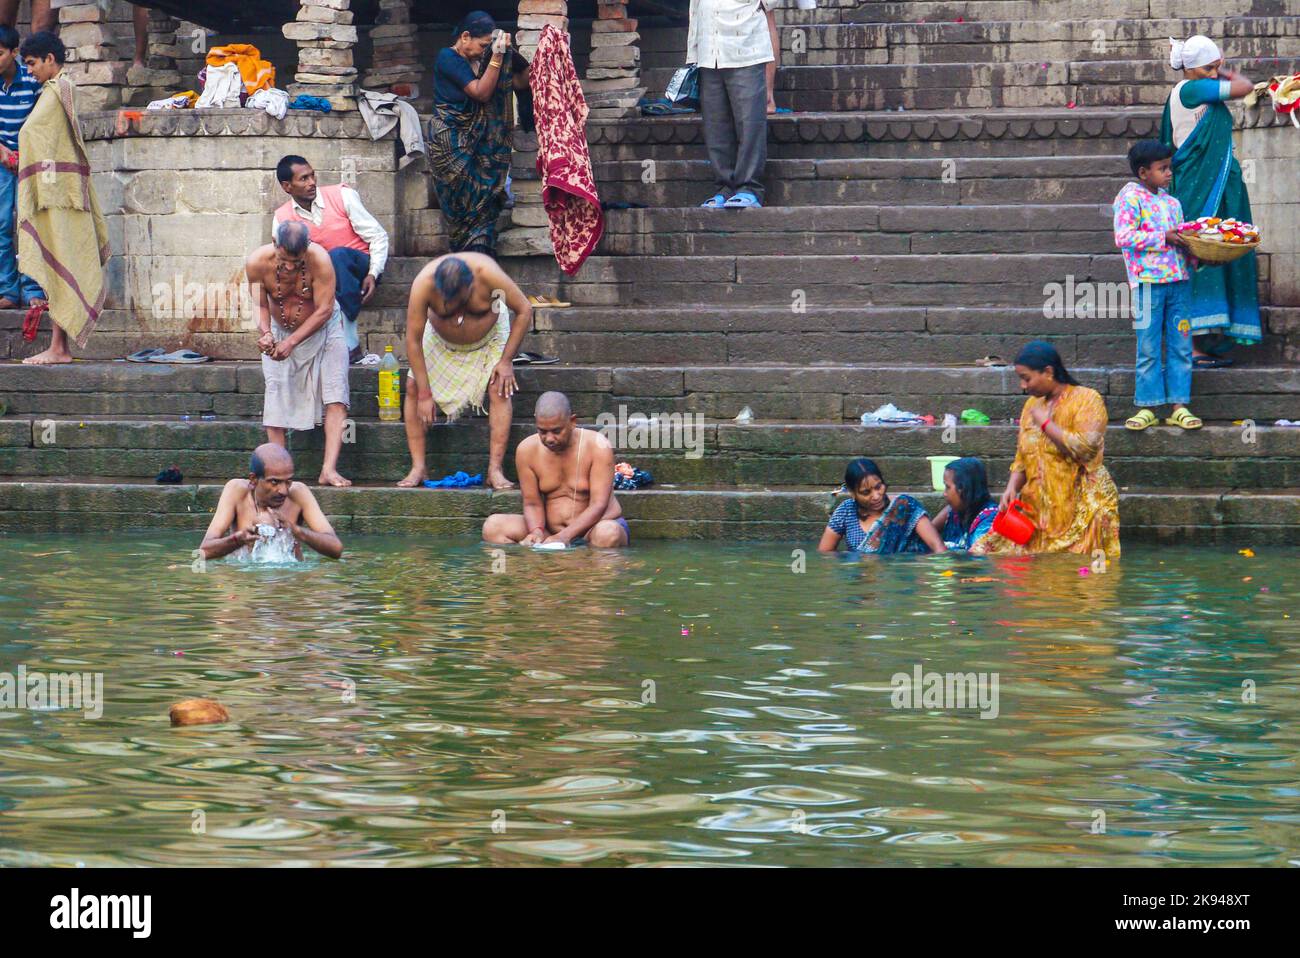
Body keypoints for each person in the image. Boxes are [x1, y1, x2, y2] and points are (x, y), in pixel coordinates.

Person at [1160, 34, 1258, 367]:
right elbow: (1246, 88)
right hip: (1197, 186)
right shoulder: (1190, 89)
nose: (1216, 72)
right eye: (1210, 67)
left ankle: (1210, 337)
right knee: (1198, 256)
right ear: (1190, 68)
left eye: (1219, 65)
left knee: (1215, 251)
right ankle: (1193, 347)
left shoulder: (1195, 88)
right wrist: (1230, 76)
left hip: (1210, 183)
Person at [399, 252, 532, 490]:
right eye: (447, 302)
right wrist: (425, 394)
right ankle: (418, 466)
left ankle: (495, 469)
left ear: (470, 284)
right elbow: (412, 340)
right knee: (412, 386)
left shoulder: (489, 274)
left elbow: (524, 310)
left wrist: (506, 361)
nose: (456, 309)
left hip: (490, 337)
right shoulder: (423, 283)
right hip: (440, 341)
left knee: (498, 386)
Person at [979, 341, 1120, 558]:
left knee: (1074, 575)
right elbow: (1022, 455)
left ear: (1048, 372)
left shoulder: (1087, 399)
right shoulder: (1031, 407)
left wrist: (1046, 425)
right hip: (1036, 510)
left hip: (1081, 510)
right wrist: (1011, 487)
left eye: (1026, 378)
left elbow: (1086, 449)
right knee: (987, 555)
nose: (1023, 386)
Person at [17, 31, 107, 365]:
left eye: (32, 64)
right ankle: (59, 347)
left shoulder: (60, 90)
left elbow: (35, 134)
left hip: (61, 194)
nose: (30, 71)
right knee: (58, 266)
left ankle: (59, 348)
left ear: (50, 59)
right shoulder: (53, 91)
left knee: (64, 263)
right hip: (57, 193)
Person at [245, 220, 352, 487]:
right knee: (276, 396)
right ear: (274, 244)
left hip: (325, 329)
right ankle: (278, 474)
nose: (290, 267)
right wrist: (266, 333)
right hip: (280, 332)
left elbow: (324, 310)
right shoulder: (257, 262)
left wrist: (291, 342)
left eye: (297, 261)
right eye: (284, 260)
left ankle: (328, 470)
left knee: (336, 393)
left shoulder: (321, 261)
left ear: (307, 248)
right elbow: (260, 305)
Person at [1114, 140, 1200, 431]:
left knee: (1181, 345)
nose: (1169, 173)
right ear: (1143, 173)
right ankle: (1148, 406)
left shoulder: (1172, 203)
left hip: (1179, 283)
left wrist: (1197, 254)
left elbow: (1182, 239)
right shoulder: (1130, 198)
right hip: (1147, 284)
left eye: (1169, 167)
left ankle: (1179, 405)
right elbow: (1124, 236)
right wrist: (1165, 236)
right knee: (1149, 346)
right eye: (1162, 168)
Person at [429, 12, 530, 256]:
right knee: (464, 211)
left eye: (488, 46)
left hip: (479, 145)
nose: (484, 50)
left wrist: (511, 56)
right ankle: (466, 262)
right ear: (465, 37)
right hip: (451, 143)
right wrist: (496, 55)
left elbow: (522, 81)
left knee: (484, 207)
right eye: (482, 45)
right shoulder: (448, 57)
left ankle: (480, 258)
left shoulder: (483, 61)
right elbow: (481, 93)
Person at [272, 155, 388, 365]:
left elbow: (378, 236)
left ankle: (351, 344)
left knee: (337, 256)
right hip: (322, 279)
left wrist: (373, 272)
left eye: (312, 176)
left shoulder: (342, 196)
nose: (312, 183)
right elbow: (282, 260)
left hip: (359, 270)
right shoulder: (282, 218)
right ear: (287, 186)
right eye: (304, 179)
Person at [481, 391, 630, 548]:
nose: (550, 439)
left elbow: (598, 505)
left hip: (595, 530)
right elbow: (532, 503)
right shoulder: (526, 450)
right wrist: (537, 531)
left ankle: (587, 569)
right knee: (493, 527)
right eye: (542, 432)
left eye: (557, 431)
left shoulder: (597, 445)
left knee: (607, 534)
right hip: (551, 533)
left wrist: (564, 536)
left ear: (573, 421)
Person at [688, 0, 775, 209]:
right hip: (709, 51)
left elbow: (770, 6)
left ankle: (749, 188)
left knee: (749, 122)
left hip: (746, 46)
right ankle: (724, 187)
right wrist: (692, 54)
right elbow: (695, 9)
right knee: (715, 125)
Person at [199, 443, 343, 561]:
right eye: (274, 482)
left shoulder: (299, 493)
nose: (284, 491)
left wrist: (295, 530)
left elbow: (336, 549)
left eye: (288, 482)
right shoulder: (236, 491)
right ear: (254, 479)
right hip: (245, 585)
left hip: (290, 586)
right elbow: (204, 551)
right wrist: (239, 539)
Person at [0, 26, 44, 313]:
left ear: (14, 52)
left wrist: (25, 153)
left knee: (30, 224)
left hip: (31, 159)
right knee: (1, 224)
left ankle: (33, 290)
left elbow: (43, 118)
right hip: (1, 161)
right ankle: (7, 289)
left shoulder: (31, 79)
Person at [818, 457, 946, 554]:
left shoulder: (904, 506)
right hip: (860, 581)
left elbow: (938, 548)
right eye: (866, 492)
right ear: (853, 493)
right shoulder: (846, 511)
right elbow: (825, 555)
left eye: (878, 487)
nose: (876, 496)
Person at [932, 457, 998, 552]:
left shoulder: (989, 522)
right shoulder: (953, 511)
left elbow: (977, 560)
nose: (944, 493)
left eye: (947, 487)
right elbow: (926, 535)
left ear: (963, 489)